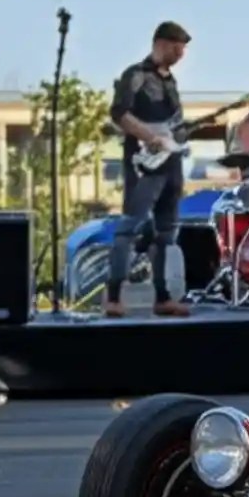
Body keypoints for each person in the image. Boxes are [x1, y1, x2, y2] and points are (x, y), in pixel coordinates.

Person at [104, 21, 193, 319]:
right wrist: (150, 137)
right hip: (144, 163)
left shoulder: (171, 83)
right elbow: (119, 113)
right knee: (130, 226)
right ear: (162, 44)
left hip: (171, 164)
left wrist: (178, 137)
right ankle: (114, 295)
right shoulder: (136, 75)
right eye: (177, 47)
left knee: (166, 232)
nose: (181, 54)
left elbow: (174, 123)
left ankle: (163, 296)